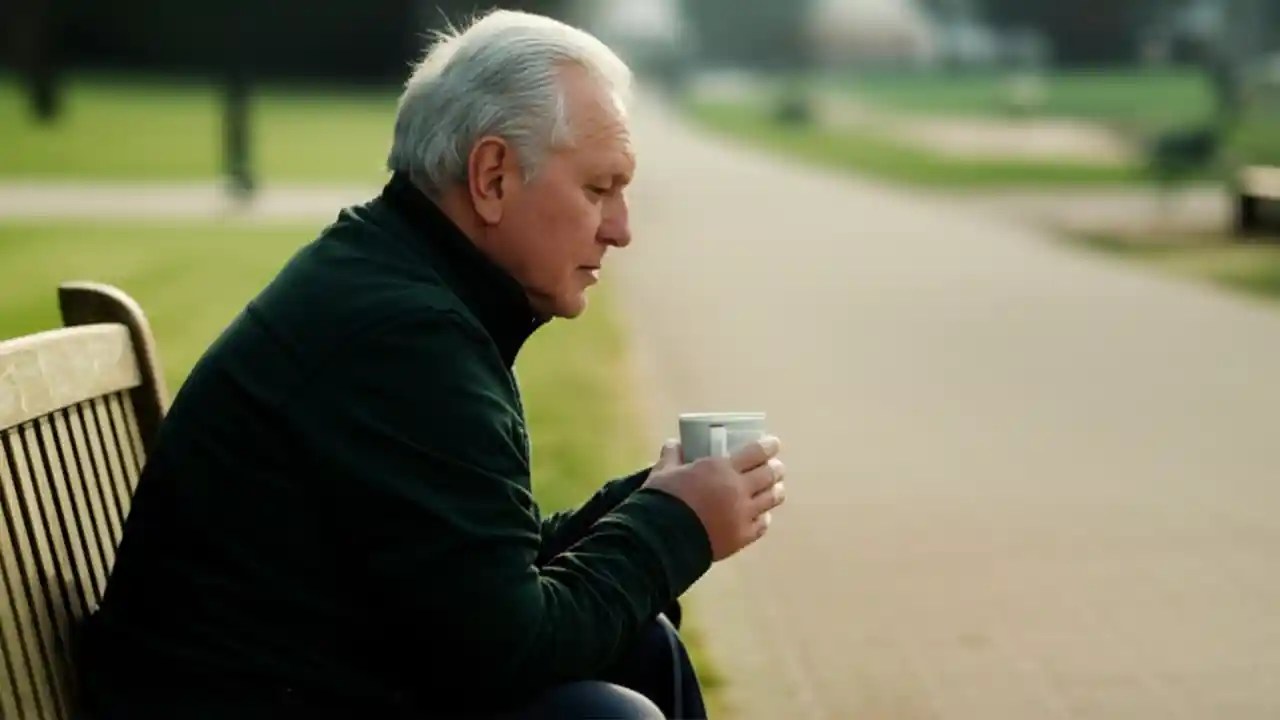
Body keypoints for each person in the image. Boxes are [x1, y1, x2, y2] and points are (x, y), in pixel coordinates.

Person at [77, 9, 786, 719]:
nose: (621, 228)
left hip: (318, 677)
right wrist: (677, 525)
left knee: (643, 646)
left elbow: (472, 584)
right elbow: (513, 649)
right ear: (493, 176)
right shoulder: (404, 335)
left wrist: (650, 501)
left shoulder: (396, 284)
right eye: (598, 190)